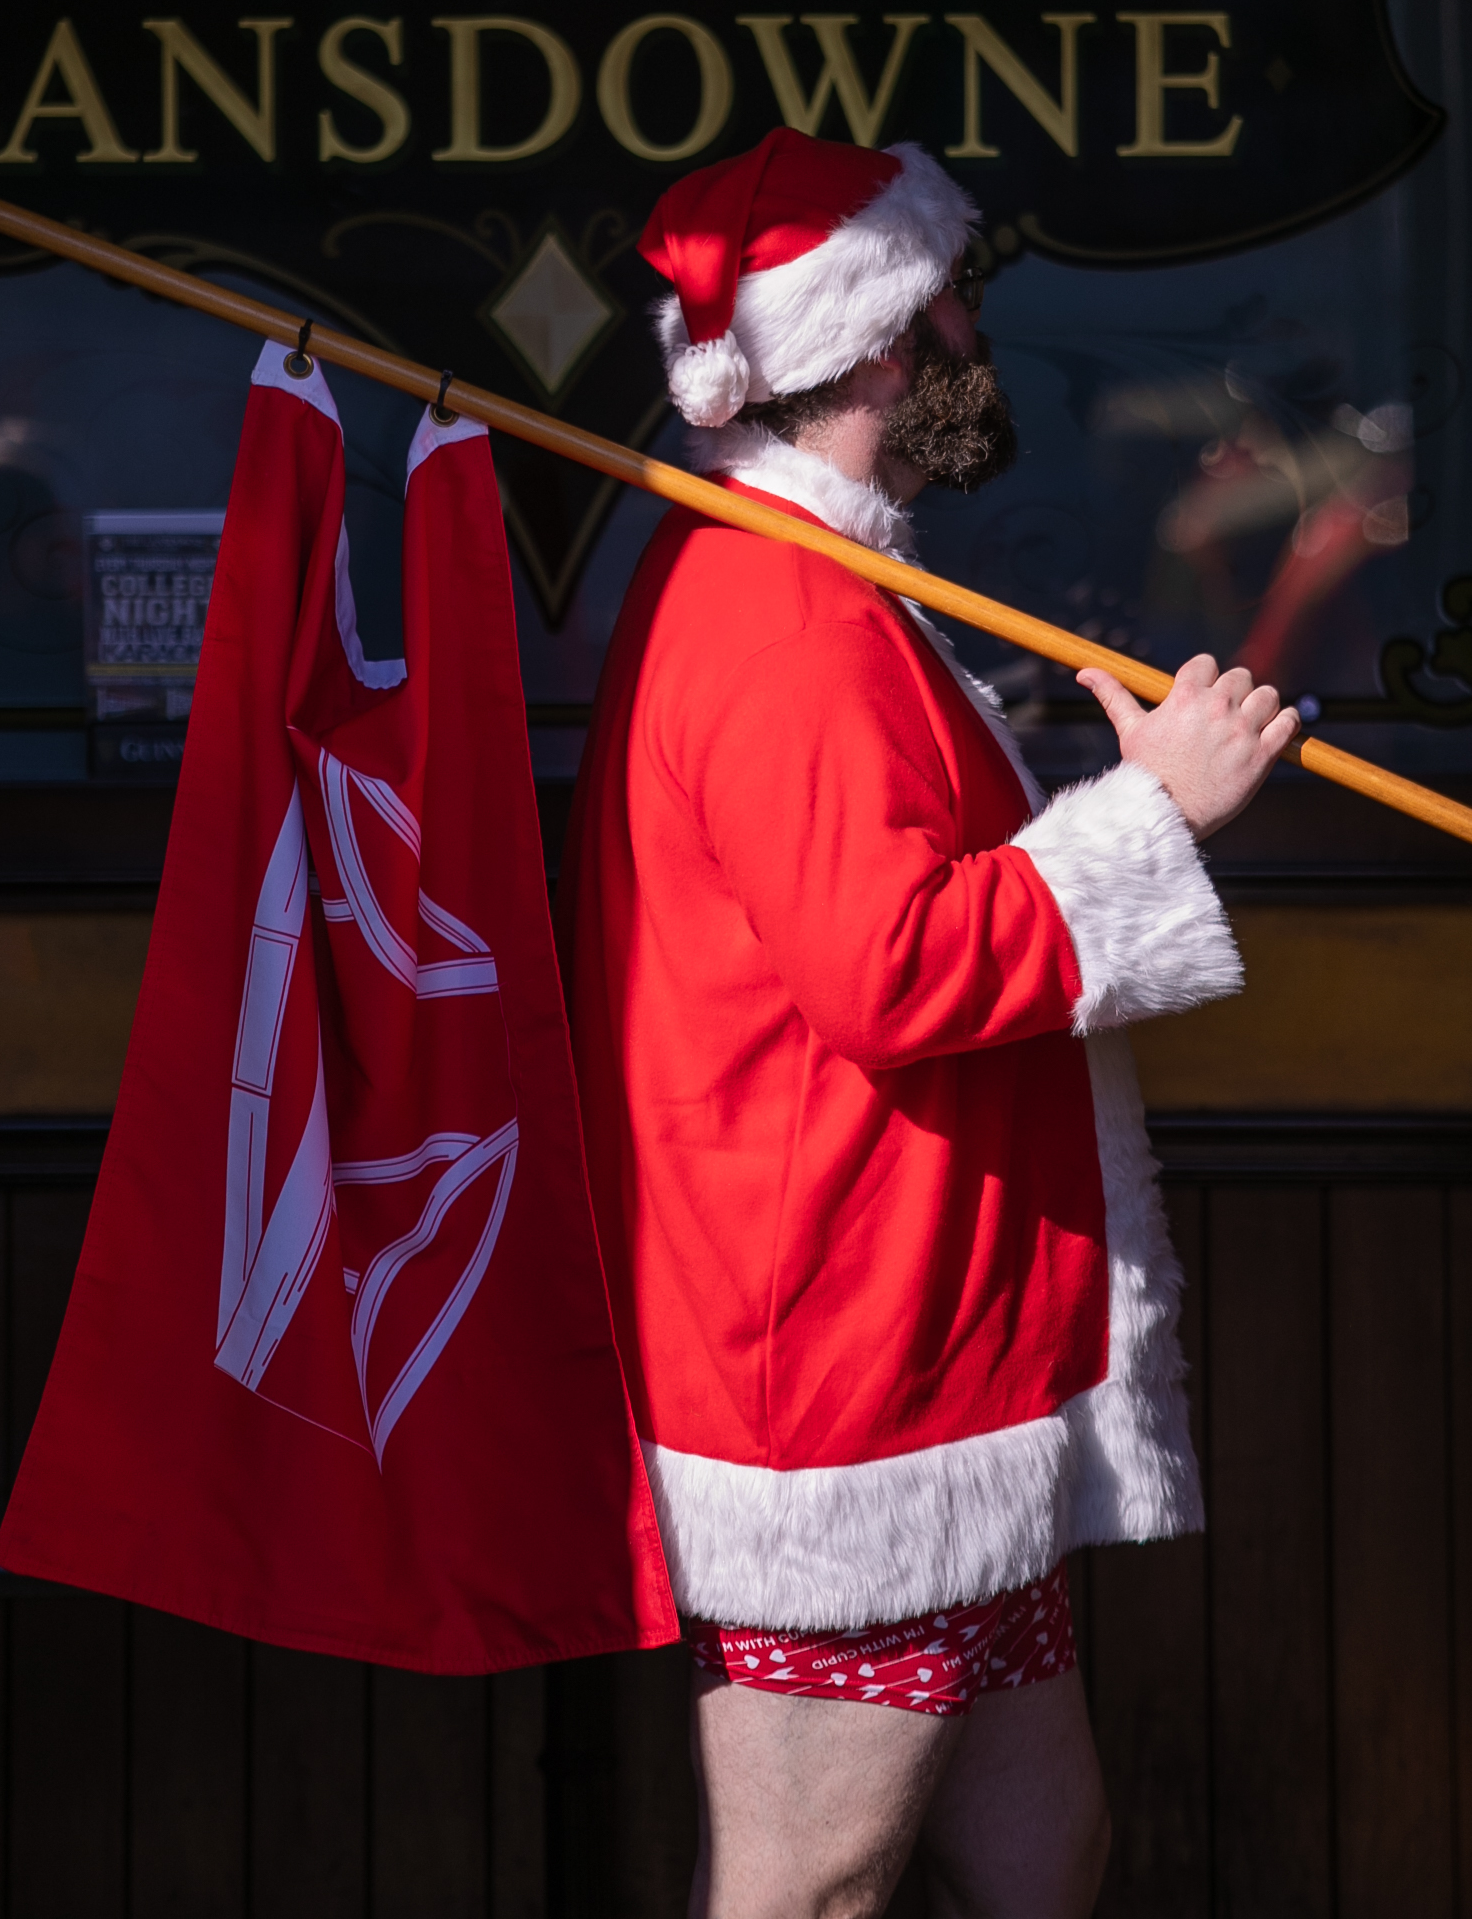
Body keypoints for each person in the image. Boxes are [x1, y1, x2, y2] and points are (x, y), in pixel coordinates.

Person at [556, 128, 1298, 1919]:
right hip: (841, 1384)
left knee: (1043, 1859)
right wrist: (1155, 817)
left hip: (929, 1350)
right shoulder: (783, 615)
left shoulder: (798, 581)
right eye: (954, 299)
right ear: (885, 341)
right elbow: (883, 967)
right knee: (807, 1888)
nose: (976, 329)